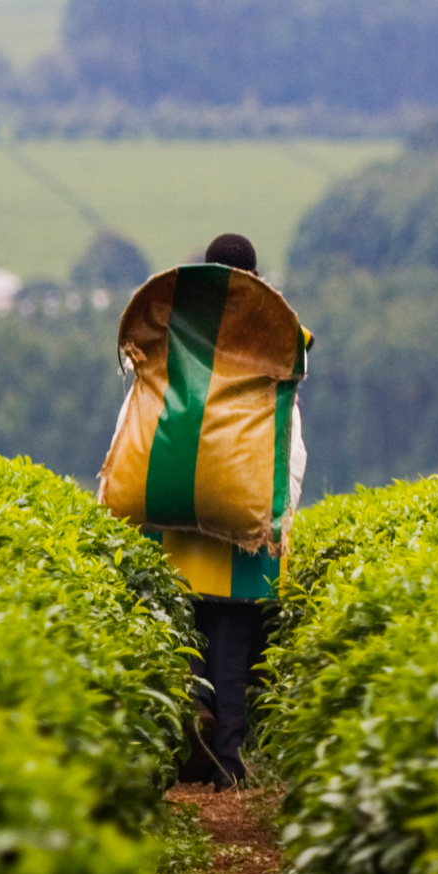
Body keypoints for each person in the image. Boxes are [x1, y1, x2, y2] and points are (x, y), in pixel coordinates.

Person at [98, 233, 310, 789]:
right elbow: (289, 449)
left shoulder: (170, 346)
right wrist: (277, 522)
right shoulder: (266, 355)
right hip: (240, 535)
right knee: (234, 642)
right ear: (256, 281)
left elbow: (133, 433)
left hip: (172, 530)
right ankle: (230, 762)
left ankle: (193, 708)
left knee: (183, 628)